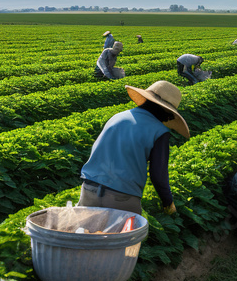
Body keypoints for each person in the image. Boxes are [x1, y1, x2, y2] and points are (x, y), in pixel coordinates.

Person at [79, 80, 188, 216]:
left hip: (89, 188)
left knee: (86, 233)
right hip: (122, 197)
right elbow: (158, 176)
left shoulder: (117, 117)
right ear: (167, 111)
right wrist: (168, 202)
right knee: (125, 236)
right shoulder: (159, 131)